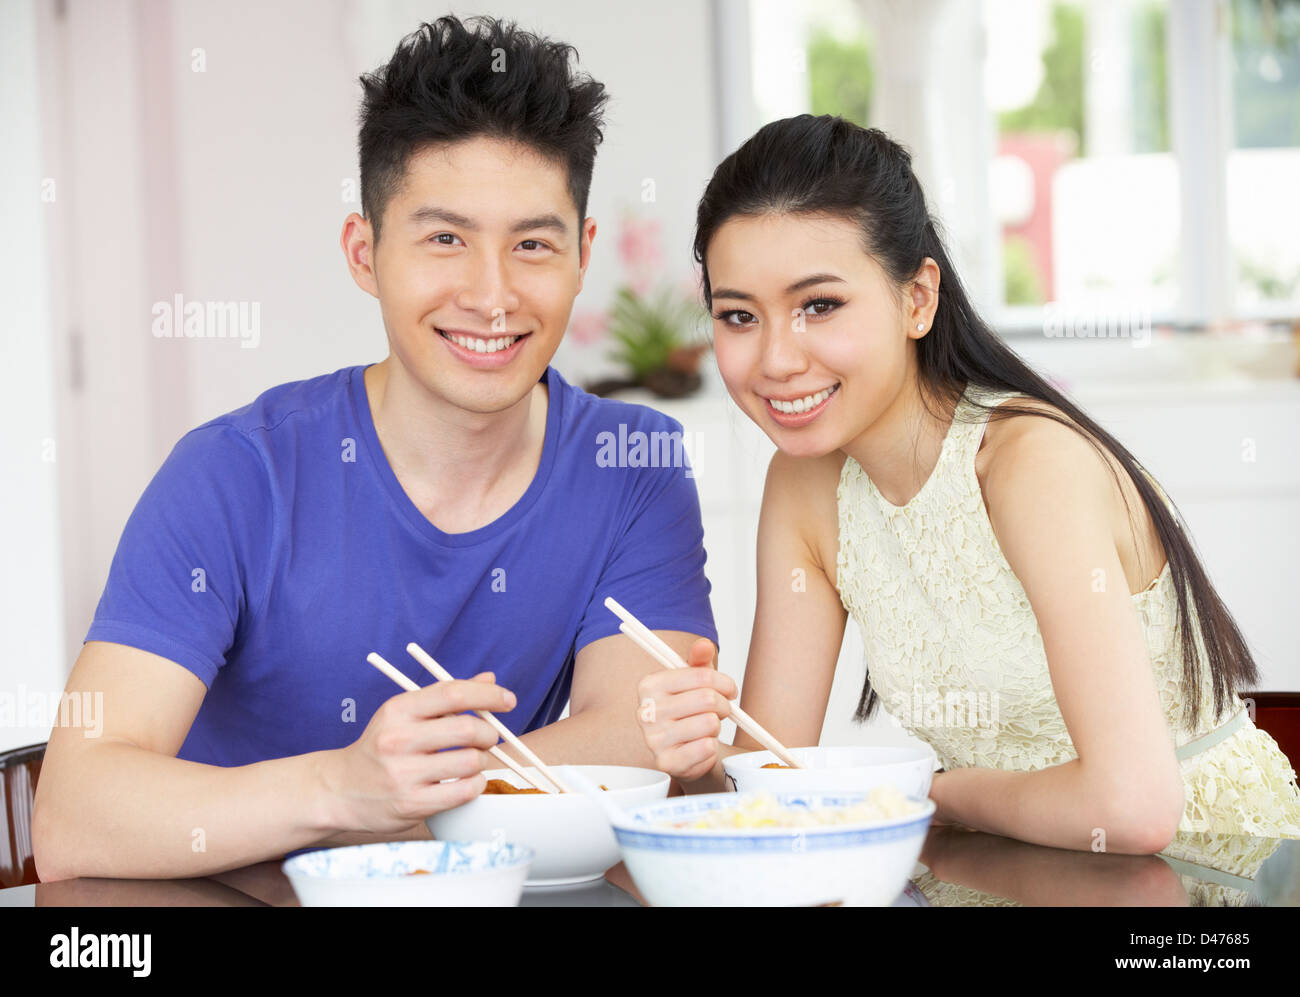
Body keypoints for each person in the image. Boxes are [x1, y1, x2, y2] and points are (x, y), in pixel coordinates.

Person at [33, 15, 717, 882]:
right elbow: (71, 816)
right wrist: (343, 787)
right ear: (365, 252)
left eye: (533, 245)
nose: (493, 294)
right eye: (444, 239)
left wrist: (405, 800)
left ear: (582, 256)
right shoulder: (235, 475)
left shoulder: (633, 466)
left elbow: (637, 742)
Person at [637, 116, 1300, 887]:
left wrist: (934, 793)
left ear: (917, 298)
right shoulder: (803, 483)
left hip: (1213, 872)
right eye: (739, 316)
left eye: (819, 305)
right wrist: (698, 767)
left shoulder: (1027, 463)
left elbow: (1132, 808)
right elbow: (770, 781)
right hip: (1013, 870)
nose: (777, 359)